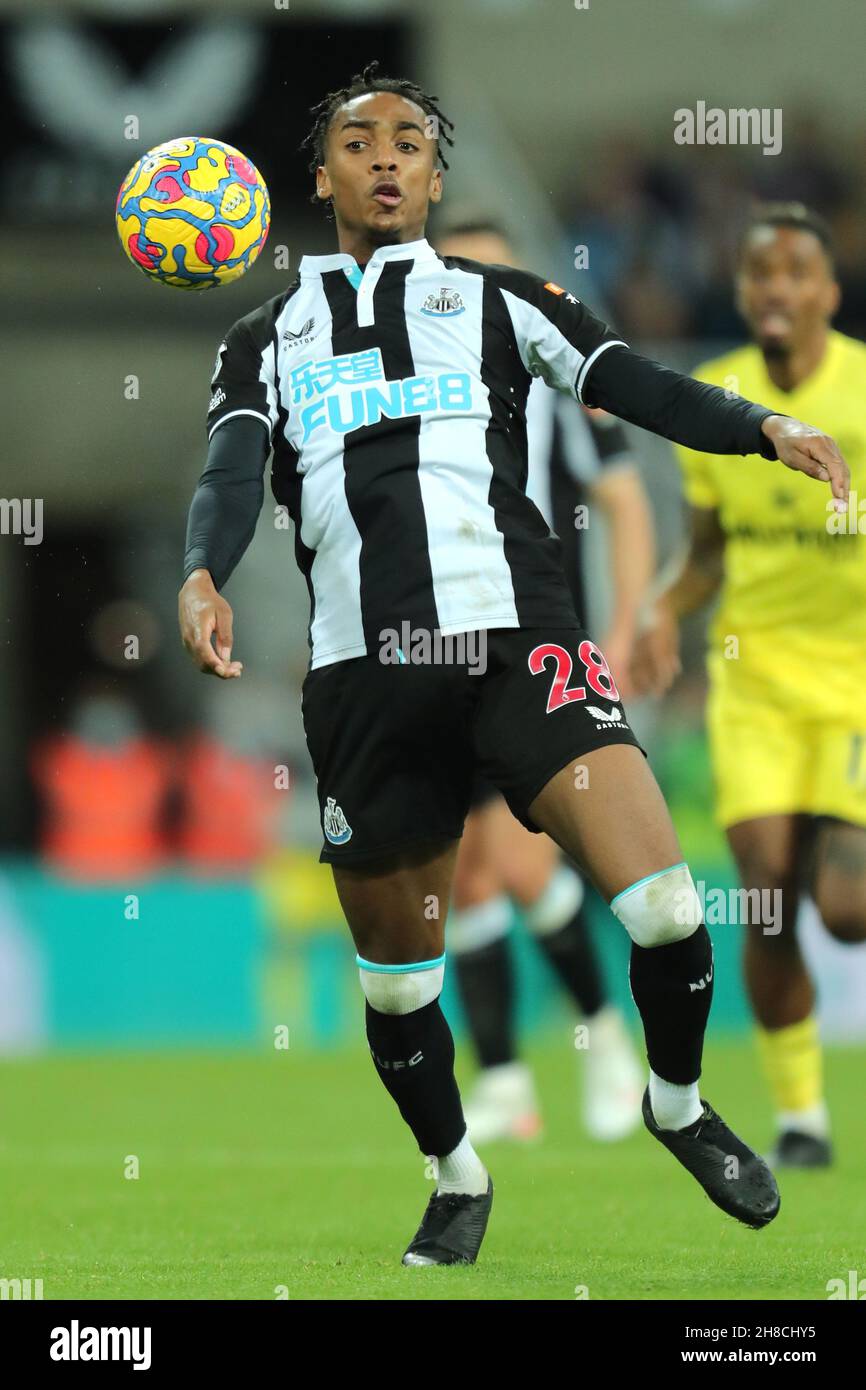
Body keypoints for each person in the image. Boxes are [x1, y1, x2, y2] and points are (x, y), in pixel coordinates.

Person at [179, 64, 849, 1266]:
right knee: (395, 990)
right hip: (363, 676)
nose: (383, 158)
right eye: (356, 142)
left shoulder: (503, 300)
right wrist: (198, 570)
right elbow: (231, 475)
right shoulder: (264, 337)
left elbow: (627, 383)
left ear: (436, 176)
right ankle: (453, 1172)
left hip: (517, 645)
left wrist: (757, 427)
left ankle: (677, 1103)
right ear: (321, 175)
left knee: (662, 906)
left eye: (407, 143)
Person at [633, 203, 866, 1168]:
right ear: (740, 292)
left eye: (793, 273)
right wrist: (657, 608)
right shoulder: (718, 403)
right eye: (757, 273)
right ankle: (802, 1115)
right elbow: (706, 554)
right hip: (756, 685)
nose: (774, 287)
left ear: (827, 292)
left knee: (849, 911)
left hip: (857, 685)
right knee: (768, 897)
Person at [434, 218, 650, 1144]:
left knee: (520, 863)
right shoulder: (413, 380)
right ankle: (505, 1080)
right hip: (430, 644)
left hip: (531, 643)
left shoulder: (555, 380)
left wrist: (623, 628)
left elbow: (624, 503)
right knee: (465, 875)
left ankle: (605, 1037)